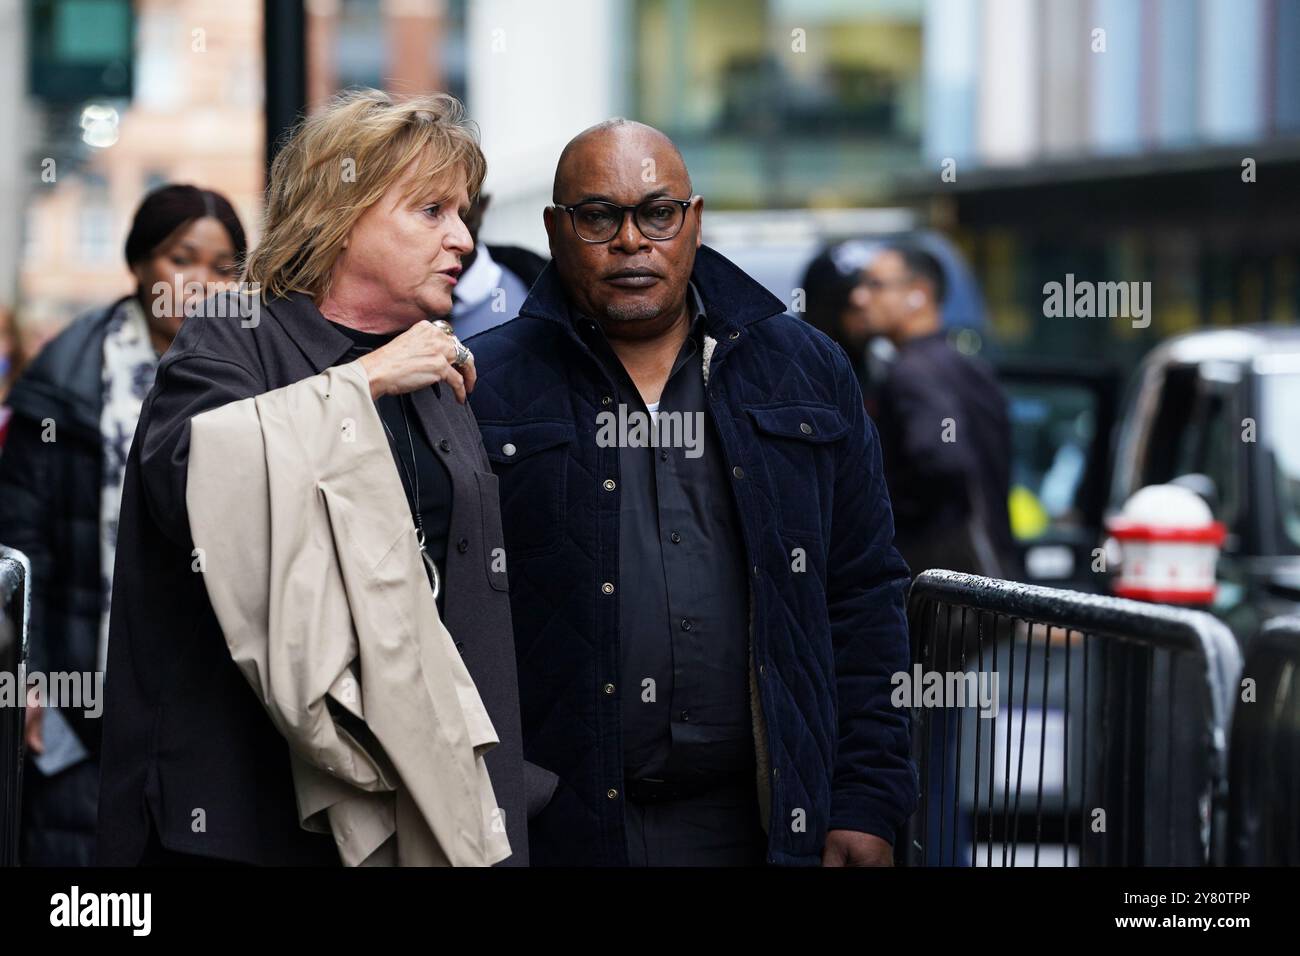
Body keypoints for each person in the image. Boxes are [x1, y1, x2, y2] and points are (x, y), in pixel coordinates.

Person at [96, 89, 542, 865]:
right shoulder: (233, 334)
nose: (464, 239)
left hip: (414, 799)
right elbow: (190, 483)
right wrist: (365, 381)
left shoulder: (433, 365)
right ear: (342, 214)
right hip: (249, 813)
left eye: (463, 213)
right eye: (431, 211)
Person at [467, 119, 916, 866]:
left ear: (694, 221)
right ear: (555, 230)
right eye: (598, 217)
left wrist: (866, 797)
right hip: (557, 826)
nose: (631, 241)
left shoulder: (803, 371)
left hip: (762, 822)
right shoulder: (486, 384)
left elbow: (863, 593)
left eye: (658, 213)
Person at [0, 184, 246, 865]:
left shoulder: (255, 372)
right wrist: (27, 677)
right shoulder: (66, 377)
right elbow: (21, 542)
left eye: (223, 267)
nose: (200, 284)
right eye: (181, 259)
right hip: (83, 693)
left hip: (215, 693)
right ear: (139, 263)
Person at [858, 239, 1017, 579]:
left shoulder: (911, 372)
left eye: (876, 285)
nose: (861, 298)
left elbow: (944, 459)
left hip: (940, 576)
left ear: (919, 293)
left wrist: (886, 512)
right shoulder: (966, 364)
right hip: (989, 570)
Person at [447, 192, 547, 338]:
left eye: (463, 211)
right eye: (432, 211)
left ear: (482, 206)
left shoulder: (535, 288)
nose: (451, 230)